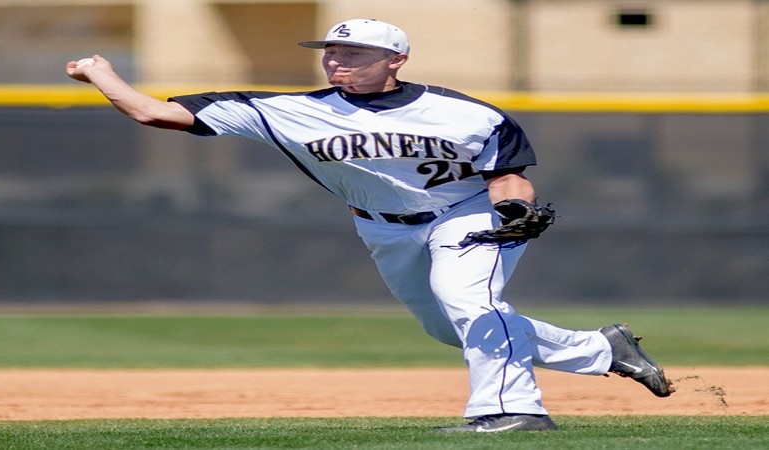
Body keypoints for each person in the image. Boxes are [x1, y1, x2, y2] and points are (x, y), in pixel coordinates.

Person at [66, 18, 674, 432]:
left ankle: (512, 411)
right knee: (450, 327)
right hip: (381, 228)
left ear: (395, 60)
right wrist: (101, 74)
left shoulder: (465, 115)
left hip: (465, 215)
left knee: (469, 300)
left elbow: (508, 177)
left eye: (353, 53)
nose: (336, 60)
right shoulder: (288, 111)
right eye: (330, 52)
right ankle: (602, 348)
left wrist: (515, 208)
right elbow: (154, 113)